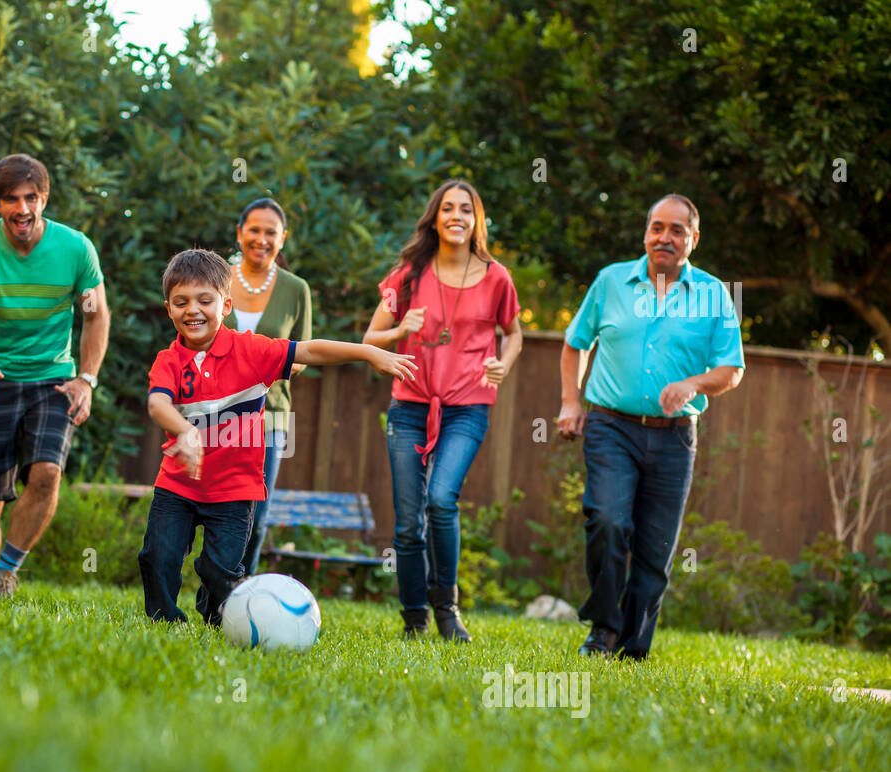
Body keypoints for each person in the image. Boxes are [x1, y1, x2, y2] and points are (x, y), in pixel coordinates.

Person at [139, 248, 417, 625]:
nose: (193, 310)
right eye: (181, 302)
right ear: (168, 308)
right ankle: (164, 620)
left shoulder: (251, 350)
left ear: (225, 306)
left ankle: (217, 615)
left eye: (205, 300)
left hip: (234, 490)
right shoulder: (168, 361)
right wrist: (185, 432)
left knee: (221, 571)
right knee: (158, 557)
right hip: (178, 485)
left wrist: (367, 352)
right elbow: (158, 405)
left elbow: (309, 349)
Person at [557, 194, 745, 659]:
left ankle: (633, 649)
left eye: (677, 230)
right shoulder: (611, 282)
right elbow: (575, 343)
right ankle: (602, 631)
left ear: (693, 240)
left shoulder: (713, 295)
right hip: (610, 426)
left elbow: (731, 369)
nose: (665, 237)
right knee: (607, 519)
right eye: (657, 227)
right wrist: (568, 401)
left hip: (675, 436)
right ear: (645, 232)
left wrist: (692, 383)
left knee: (656, 548)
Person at [0, 153, 110, 597]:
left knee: (47, 473)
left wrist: (86, 380)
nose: (23, 209)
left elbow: (95, 317)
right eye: (11, 199)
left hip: (54, 380)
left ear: (45, 198)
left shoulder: (76, 249)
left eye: (31, 198)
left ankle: (5, 572)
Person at [364, 179, 523, 640]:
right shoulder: (409, 275)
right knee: (408, 520)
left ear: (477, 221)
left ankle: (447, 610)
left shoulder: (496, 277)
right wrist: (399, 331)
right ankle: (415, 617)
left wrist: (503, 364)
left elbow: (514, 333)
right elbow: (369, 341)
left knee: (441, 498)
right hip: (410, 406)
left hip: (467, 407)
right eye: (448, 208)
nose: (457, 216)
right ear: (435, 217)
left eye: (466, 210)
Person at [223, 198, 313, 576]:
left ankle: (239, 594)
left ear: (283, 239)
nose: (261, 239)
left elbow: (304, 354)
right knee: (214, 510)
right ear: (240, 232)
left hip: (270, 418)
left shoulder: (295, 289)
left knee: (255, 518)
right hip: (213, 412)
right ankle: (211, 593)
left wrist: (261, 370)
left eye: (270, 233)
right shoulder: (216, 274)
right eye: (254, 230)